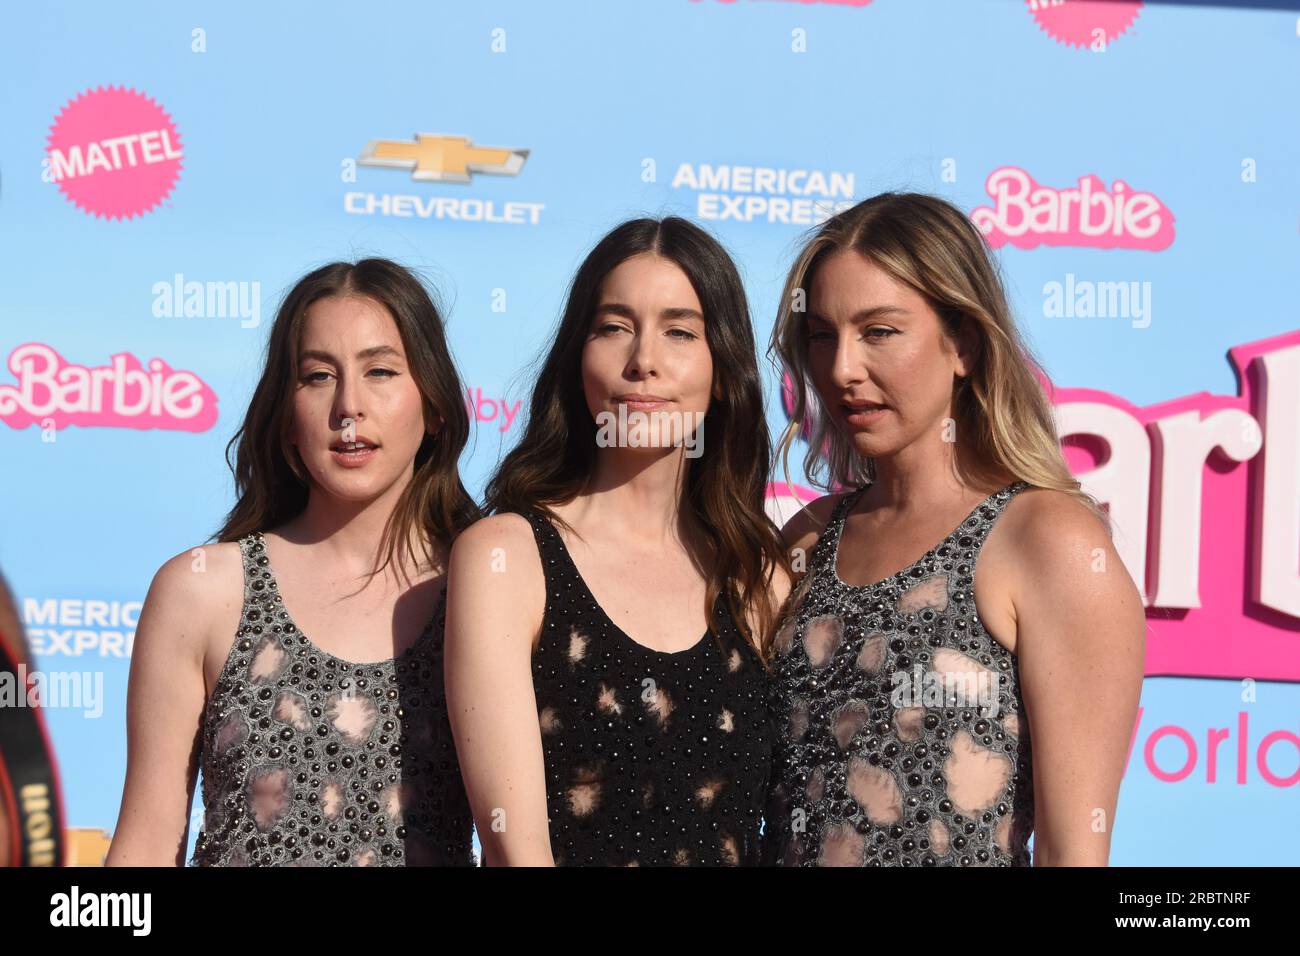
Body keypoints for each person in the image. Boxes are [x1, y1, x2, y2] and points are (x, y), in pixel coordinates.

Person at [762, 192, 1146, 867]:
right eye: (822, 335)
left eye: (878, 331)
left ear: (964, 344)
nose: (843, 368)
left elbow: (1072, 850)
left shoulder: (1046, 538)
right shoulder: (807, 538)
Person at [107, 258, 479, 866]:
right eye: (317, 376)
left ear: (434, 406)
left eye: (381, 370)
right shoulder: (203, 592)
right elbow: (145, 845)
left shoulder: (488, 593)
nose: (349, 406)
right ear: (285, 418)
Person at [446, 217, 791, 866]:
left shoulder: (760, 574)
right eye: (613, 328)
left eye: (680, 331)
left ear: (723, 369)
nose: (644, 362)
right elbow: (512, 847)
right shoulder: (507, 558)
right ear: (579, 356)